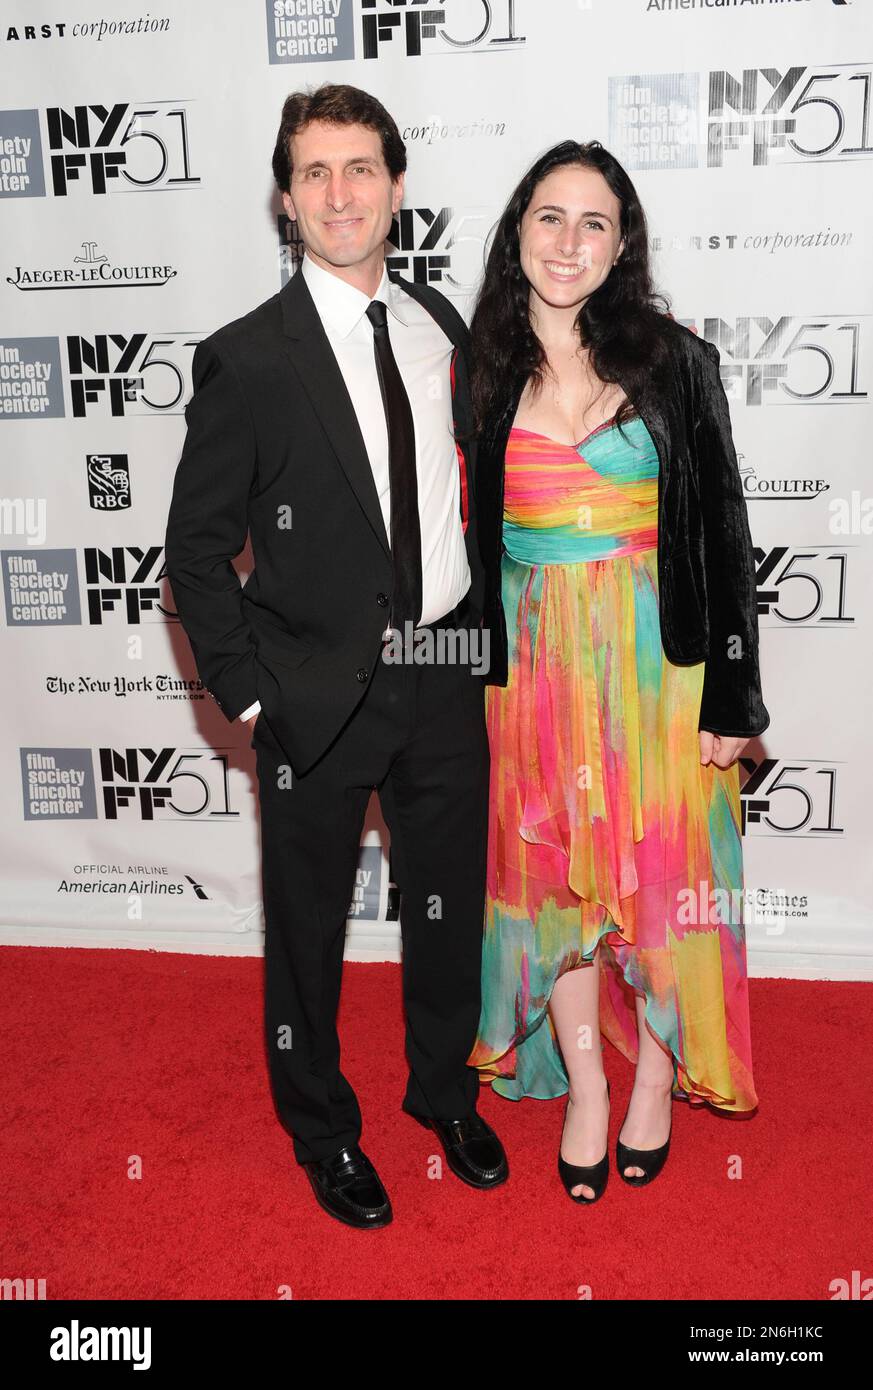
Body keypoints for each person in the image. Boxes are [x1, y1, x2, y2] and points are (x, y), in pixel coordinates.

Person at [164, 83, 507, 1231]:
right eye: (315, 172)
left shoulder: (440, 328)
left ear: (397, 187)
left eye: (360, 168)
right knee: (307, 927)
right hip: (312, 690)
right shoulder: (248, 359)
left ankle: (443, 1091)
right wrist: (253, 698)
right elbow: (196, 552)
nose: (340, 192)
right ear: (286, 196)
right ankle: (321, 1126)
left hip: (446, 668)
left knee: (450, 903)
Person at [468, 140, 769, 1202]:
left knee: (663, 889)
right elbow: (462, 542)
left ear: (622, 240)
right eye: (550, 217)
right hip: (533, 673)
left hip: (656, 673)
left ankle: (655, 1090)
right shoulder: (480, 369)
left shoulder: (678, 363)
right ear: (519, 231)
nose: (569, 242)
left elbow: (725, 537)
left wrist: (734, 697)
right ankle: (591, 1088)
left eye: (594, 222)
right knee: (554, 890)